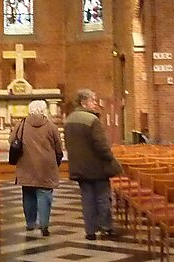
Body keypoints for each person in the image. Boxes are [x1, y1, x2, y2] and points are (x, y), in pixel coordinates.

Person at [64, 89, 122, 241]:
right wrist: (110, 158)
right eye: (93, 101)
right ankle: (106, 227)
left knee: (87, 199)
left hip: (79, 166)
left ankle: (90, 231)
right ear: (84, 102)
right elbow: (101, 145)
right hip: (96, 167)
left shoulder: (69, 119)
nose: (95, 104)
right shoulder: (92, 120)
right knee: (103, 197)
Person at [14, 100, 63, 236]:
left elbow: (12, 140)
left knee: (28, 193)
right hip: (46, 166)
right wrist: (57, 160)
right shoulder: (51, 126)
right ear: (44, 110)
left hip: (26, 164)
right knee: (44, 194)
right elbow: (58, 146)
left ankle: (30, 223)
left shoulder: (21, 124)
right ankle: (44, 225)